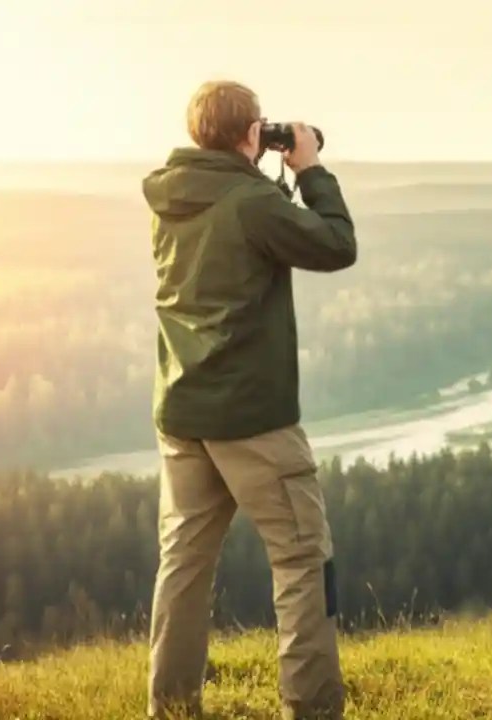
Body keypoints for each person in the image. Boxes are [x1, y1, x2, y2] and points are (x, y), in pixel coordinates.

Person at [141, 80, 356, 719]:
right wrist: (309, 168)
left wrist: (258, 164)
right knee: (301, 562)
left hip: (183, 414)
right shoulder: (250, 203)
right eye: (260, 126)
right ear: (247, 134)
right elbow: (337, 245)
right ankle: (311, 711)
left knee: (182, 565)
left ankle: (171, 709)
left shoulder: (169, 196)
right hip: (252, 420)